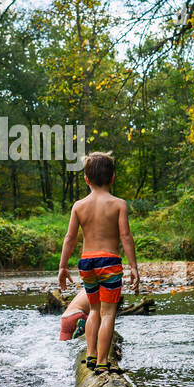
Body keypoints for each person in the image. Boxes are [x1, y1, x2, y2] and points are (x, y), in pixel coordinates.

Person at [57, 151, 139, 372]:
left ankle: (91, 355)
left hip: (87, 263)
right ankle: (103, 362)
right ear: (112, 178)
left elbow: (70, 238)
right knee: (108, 313)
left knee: (93, 310)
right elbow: (125, 237)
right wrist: (133, 267)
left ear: (86, 179)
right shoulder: (118, 204)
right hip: (109, 262)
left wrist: (63, 266)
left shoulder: (78, 206)